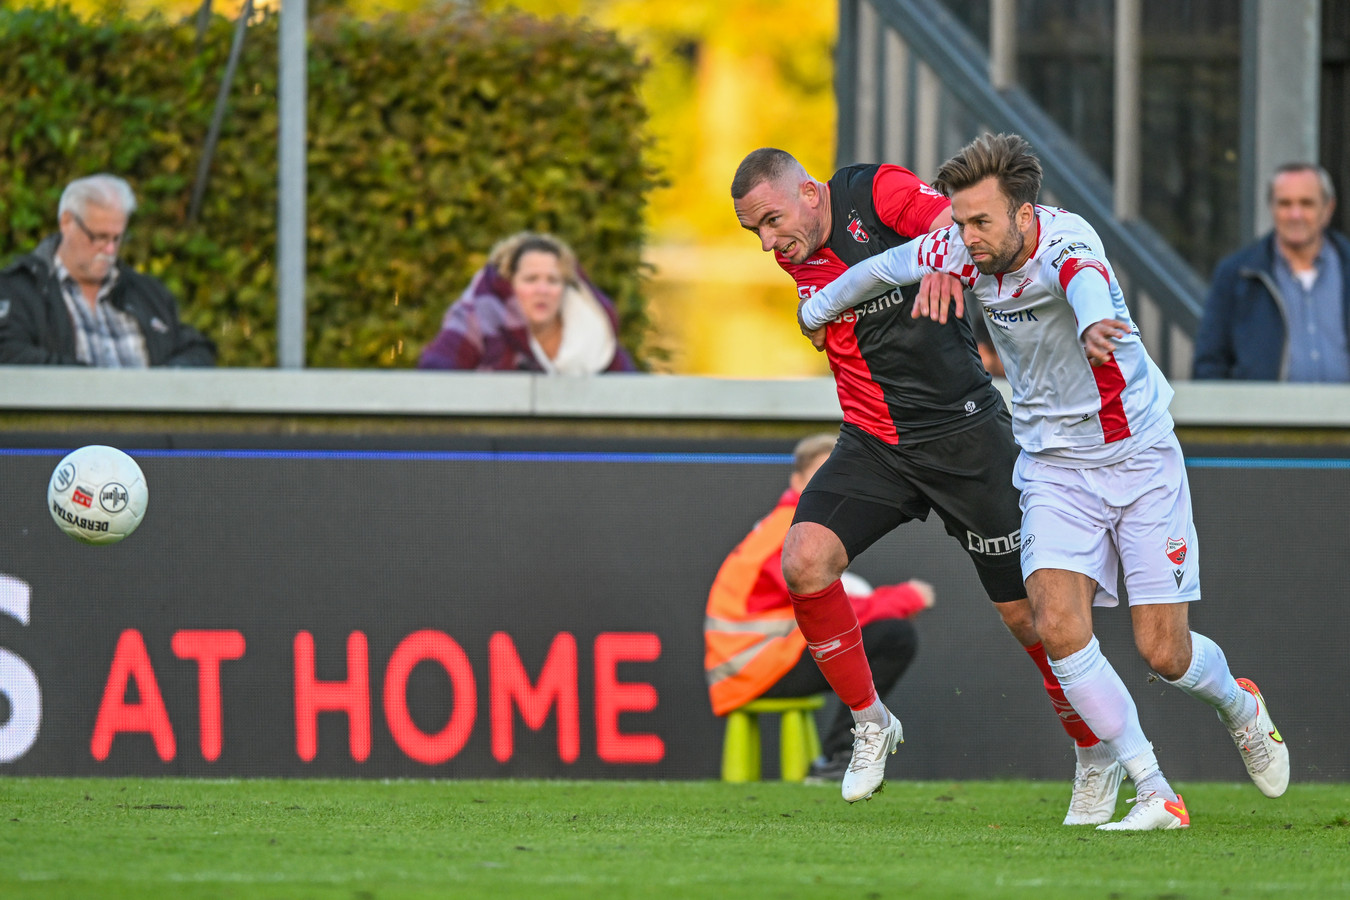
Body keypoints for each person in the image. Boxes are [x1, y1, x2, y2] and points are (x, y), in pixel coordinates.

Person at [799, 132, 1290, 831]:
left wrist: (1095, 325)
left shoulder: (1066, 245)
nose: (965, 238)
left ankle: (1241, 706)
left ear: (1024, 215)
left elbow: (1087, 282)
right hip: (1054, 469)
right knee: (1057, 627)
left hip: (1137, 460)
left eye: (980, 223)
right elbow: (878, 271)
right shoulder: (958, 247)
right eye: (960, 222)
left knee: (1165, 654)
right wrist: (813, 312)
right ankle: (1154, 789)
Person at [731, 148, 1115, 821]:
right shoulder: (800, 259)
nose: (766, 242)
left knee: (1030, 618)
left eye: (770, 220)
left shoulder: (870, 191)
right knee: (805, 561)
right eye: (753, 232)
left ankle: (1094, 755)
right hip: (875, 443)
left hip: (966, 437)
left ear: (812, 193)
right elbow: (824, 318)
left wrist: (943, 258)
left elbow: (953, 221)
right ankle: (871, 722)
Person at [704, 433, 934, 782]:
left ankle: (835, 756)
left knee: (878, 635)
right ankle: (837, 757)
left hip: (751, 664)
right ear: (797, 481)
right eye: (821, 472)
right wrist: (905, 599)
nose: (831, 481)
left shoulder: (784, 526)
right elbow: (829, 610)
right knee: (893, 636)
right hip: (753, 668)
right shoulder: (789, 531)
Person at [0, 174, 215, 366]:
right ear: (66, 222)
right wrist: (90, 385)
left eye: (117, 238)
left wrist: (164, 383)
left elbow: (198, 349)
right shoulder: (19, 291)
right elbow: (10, 354)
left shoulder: (147, 292)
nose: (110, 249)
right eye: (99, 237)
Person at [1194, 163, 1349, 381]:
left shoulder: (1345, 268)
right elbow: (1209, 365)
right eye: (1285, 204)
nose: (1295, 214)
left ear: (1328, 208)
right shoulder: (1236, 275)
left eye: (1307, 203)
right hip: (1263, 414)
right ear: (1272, 208)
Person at [418, 232, 636, 373]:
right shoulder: (477, 317)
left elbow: (632, 393)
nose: (543, 291)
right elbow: (435, 376)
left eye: (552, 280)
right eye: (531, 280)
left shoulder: (592, 334)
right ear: (509, 284)